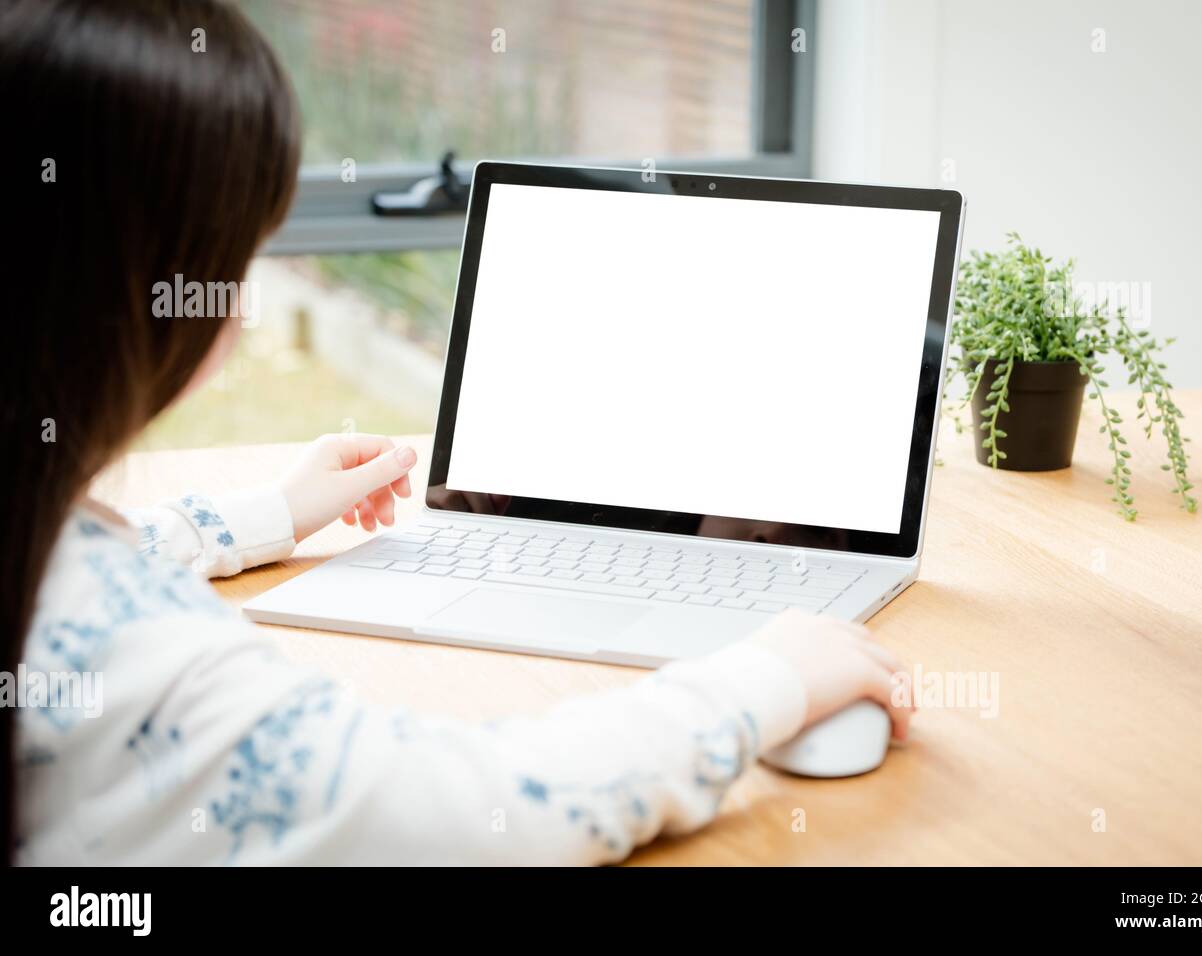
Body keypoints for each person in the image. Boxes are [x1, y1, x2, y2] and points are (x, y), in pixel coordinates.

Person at [1, 0, 913, 865]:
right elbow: (469, 815)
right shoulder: (148, 663)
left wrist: (257, 516)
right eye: (237, 257)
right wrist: (766, 680)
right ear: (136, 298)